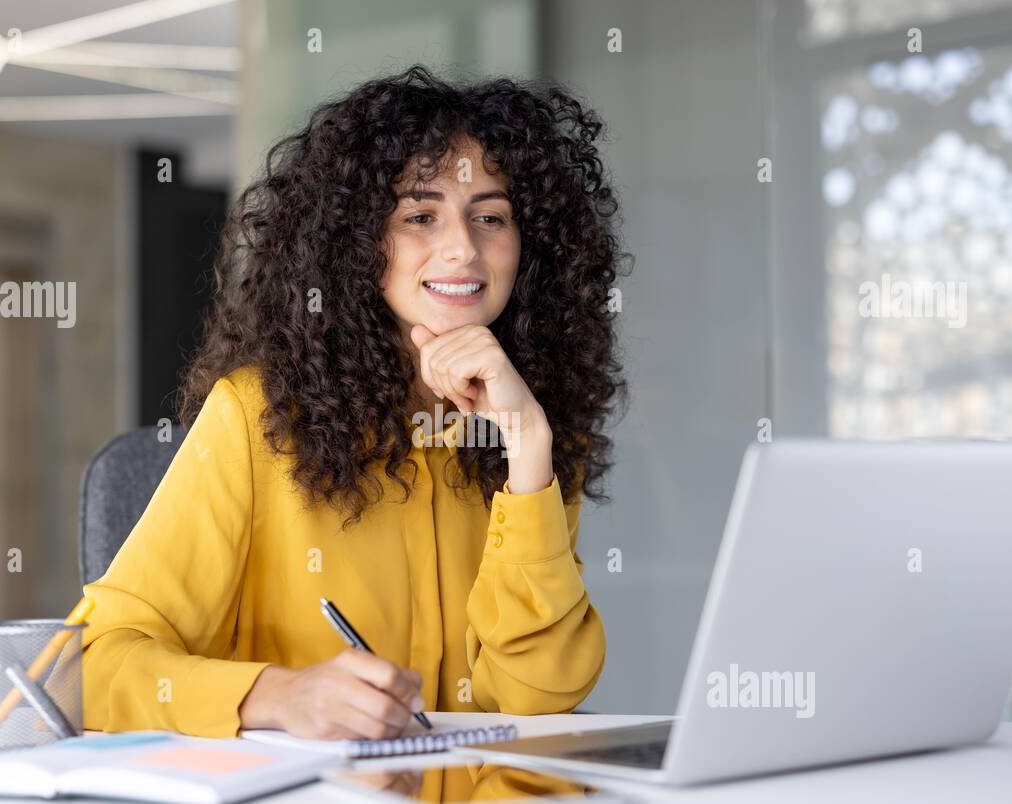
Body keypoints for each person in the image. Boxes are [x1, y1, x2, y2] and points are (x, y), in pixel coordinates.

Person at [81, 64, 629, 740]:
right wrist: (279, 697)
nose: (463, 247)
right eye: (420, 215)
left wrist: (528, 446)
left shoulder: (531, 429)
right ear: (353, 242)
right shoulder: (254, 415)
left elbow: (533, 695)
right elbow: (92, 664)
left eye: (491, 216)